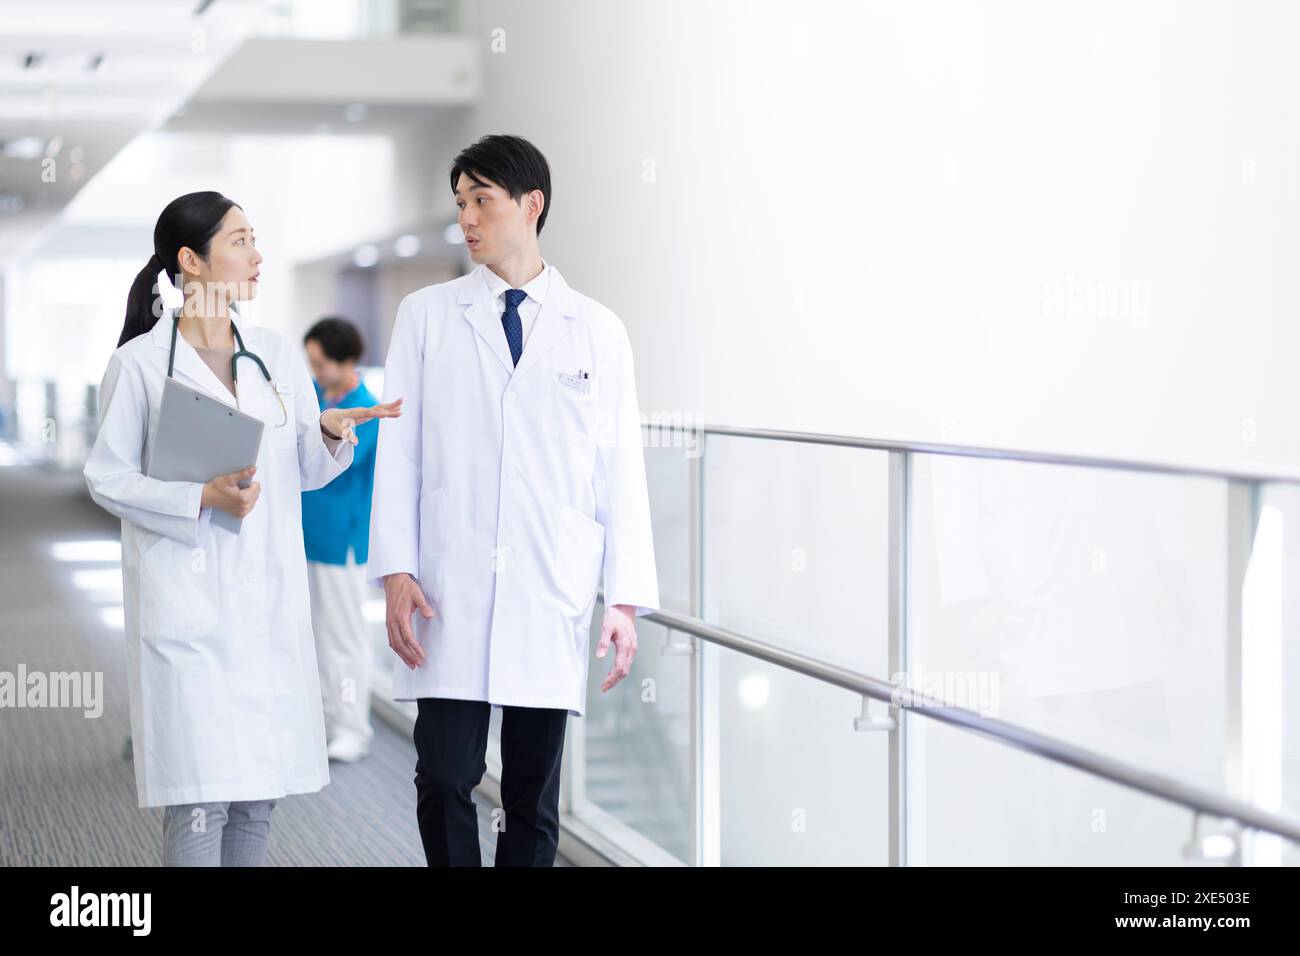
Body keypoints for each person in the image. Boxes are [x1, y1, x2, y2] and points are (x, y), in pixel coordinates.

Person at [83, 191, 401, 866]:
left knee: (257, 806)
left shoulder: (279, 356)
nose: (257, 256)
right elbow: (106, 478)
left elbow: (300, 473)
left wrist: (328, 430)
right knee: (201, 808)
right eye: (240, 241)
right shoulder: (140, 365)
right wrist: (199, 496)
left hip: (268, 618)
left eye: (256, 239)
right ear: (190, 261)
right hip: (188, 616)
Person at [368, 135, 660, 867]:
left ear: (530, 205)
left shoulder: (597, 330)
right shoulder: (427, 316)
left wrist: (622, 600)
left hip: (546, 584)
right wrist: (396, 570)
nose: (466, 217)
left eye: (481, 200)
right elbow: (398, 454)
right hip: (449, 585)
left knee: (530, 792)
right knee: (444, 774)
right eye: (460, 203)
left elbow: (619, 469)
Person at [301, 317, 380, 762]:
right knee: (314, 633)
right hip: (307, 536)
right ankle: (329, 719)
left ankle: (354, 728)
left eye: (321, 364)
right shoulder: (315, 397)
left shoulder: (364, 409)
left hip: (341, 543)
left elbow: (336, 462)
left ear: (346, 361)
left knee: (344, 637)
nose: (315, 372)